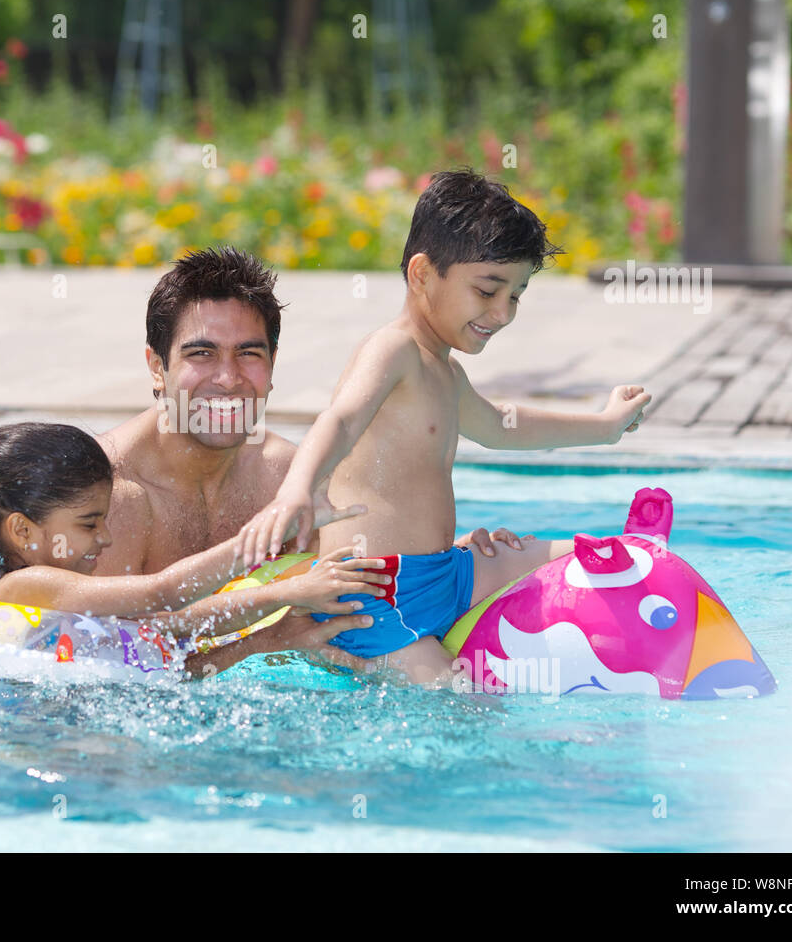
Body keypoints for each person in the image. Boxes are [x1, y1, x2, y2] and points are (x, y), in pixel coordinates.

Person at [233, 170, 652, 684]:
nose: (502, 314)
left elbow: (502, 426)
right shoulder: (392, 351)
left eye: (516, 296)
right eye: (487, 290)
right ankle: (337, 653)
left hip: (445, 576)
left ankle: (640, 563)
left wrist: (604, 426)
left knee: (599, 557)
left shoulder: (447, 372)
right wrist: (294, 491)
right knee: (466, 706)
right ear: (423, 274)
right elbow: (339, 420)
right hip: (372, 596)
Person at [93, 245, 525, 674]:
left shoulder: (283, 475)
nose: (228, 379)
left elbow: (364, 560)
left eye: (249, 353)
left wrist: (446, 554)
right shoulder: (109, 496)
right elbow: (111, 661)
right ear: (156, 365)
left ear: (273, 364)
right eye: (201, 353)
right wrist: (266, 641)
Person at [0, 421, 388, 656]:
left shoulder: (66, 600)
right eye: (88, 523)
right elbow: (160, 594)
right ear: (21, 529)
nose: (105, 537)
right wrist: (270, 543)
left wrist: (268, 639)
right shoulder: (25, 587)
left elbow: (171, 644)